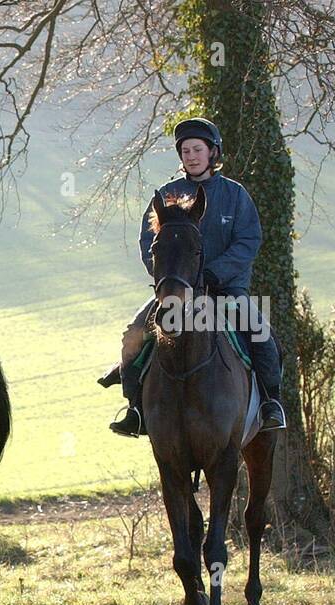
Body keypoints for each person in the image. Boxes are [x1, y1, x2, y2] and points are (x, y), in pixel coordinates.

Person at [102, 117, 287, 437]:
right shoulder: (167, 195)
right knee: (133, 333)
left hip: (227, 289)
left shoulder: (235, 195)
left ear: (213, 152)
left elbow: (248, 241)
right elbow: (150, 243)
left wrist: (216, 272)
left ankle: (271, 403)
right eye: (185, 150)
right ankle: (135, 410)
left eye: (197, 149)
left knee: (262, 334)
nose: (191, 156)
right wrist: (167, 277)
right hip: (177, 292)